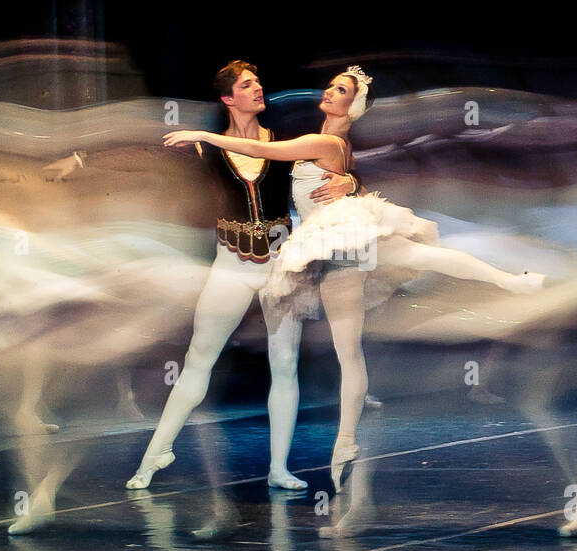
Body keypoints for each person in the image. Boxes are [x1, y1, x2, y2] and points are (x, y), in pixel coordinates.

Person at [162, 66, 544, 490]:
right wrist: (350, 180)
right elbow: (327, 172)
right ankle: (345, 442)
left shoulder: (322, 140)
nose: (328, 91)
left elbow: (261, 150)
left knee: (411, 267)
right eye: (330, 85)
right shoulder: (336, 146)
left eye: (339, 89)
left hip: (337, 236)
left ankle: (508, 282)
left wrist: (205, 136)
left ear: (351, 106)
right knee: (353, 343)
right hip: (331, 243)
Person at [125, 60, 349, 490]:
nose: (258, 89)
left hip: (281, 268)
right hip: (230, 267)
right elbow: (144, 162)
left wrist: (350, 184)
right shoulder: (202, 148)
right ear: (228, 98)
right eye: (248, 85)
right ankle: (155, 455)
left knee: (284, 365)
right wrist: (79, 162)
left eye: (260, 82)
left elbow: (338, 164)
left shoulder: (282, 144)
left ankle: (279, 468)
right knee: (198, 360)